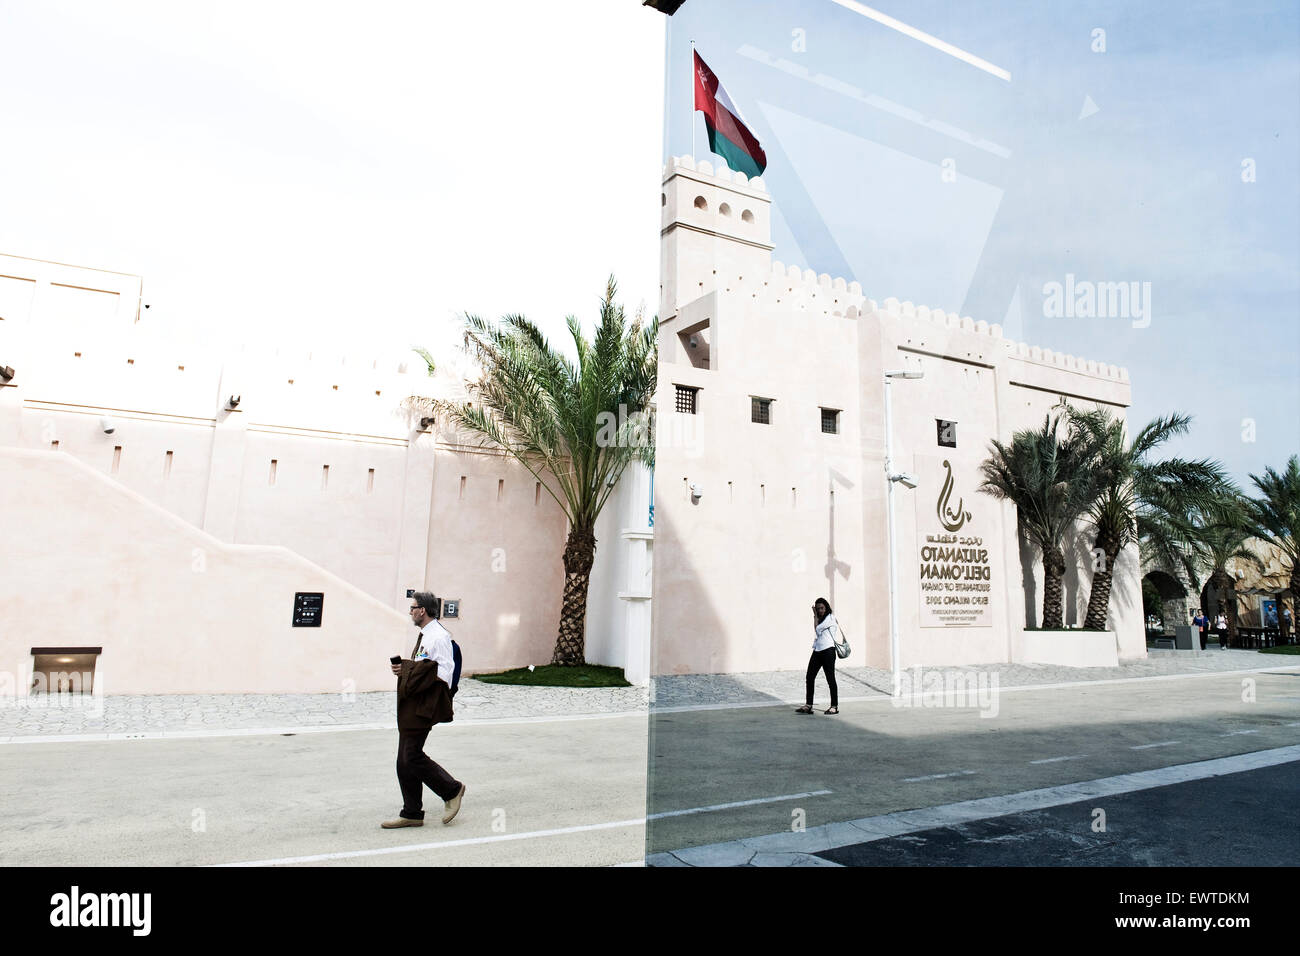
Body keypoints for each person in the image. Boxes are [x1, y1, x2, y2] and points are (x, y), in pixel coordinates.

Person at [381, 591, 466, 829]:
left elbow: (444, 674)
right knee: (403, 760)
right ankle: (411, 812)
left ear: (423, 611)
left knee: (412, 756)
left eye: (413, 607)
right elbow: (424, 667)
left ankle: (452, 790)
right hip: (414, 702)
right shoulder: (427, 635)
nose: (410, 611)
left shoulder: (439, 637)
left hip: (423, 705)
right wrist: (405, 670)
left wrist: (408, 668)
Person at [796, 597, 840, 715]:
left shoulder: (830, 618)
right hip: (817, 651)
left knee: (830, 679)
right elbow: (817, 629)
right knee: (810, 676)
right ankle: (808, 705)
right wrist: (816, 616)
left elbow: (816, 628)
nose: (820, 610)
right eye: (818, 608)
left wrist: (815, 615)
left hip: (828, 652)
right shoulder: (821, 619)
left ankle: (834, 706)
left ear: (826, 607)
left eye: (822, 608)